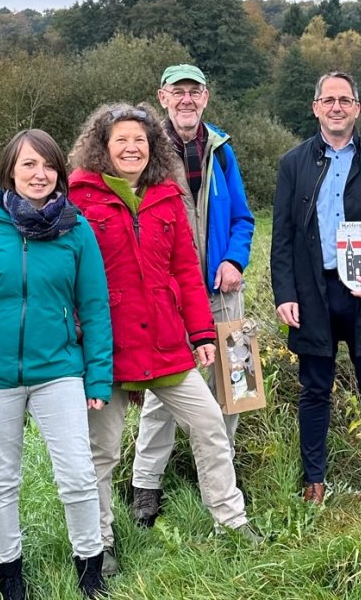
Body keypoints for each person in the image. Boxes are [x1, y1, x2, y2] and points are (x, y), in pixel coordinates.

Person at [68, 102, 258, 570]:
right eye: (121, 140)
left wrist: (200, 334)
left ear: (152, 148)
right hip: (106, 348)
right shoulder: (77, 199)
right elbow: (65, 276)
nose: (131, 148)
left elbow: (187, 273)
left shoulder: (167, 197)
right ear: (102, 147)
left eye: (140, 141)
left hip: (167, 342)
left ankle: (230, 520)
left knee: (210, 424)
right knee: (102, 451)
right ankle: (100, 541)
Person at [0, 129, 112, 598]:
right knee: (1, 476)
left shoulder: (77, 229)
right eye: (29, 164)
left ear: (60, 174)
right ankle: (8, 573)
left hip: (58, 370)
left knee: (76, 472)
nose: (40, 173)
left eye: (48, 165)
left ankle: (90, 565)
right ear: (10, 169)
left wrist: (98, 374)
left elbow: (94, 307)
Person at [270, 71, 361, 504]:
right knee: (314, 389)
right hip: (314, 292)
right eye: (328, 99)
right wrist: (285, 293)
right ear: (315, 107)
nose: (336, 107)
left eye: (345, 100)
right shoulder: (294, 163)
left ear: (356, 108)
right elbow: (283, 236)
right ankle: (314, 481)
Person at [130, 64, 256, 531]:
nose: (186, 99)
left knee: (238, 386)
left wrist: (233, 261)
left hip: (223, 292)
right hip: (167, 296)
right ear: (162, 97)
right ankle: (146, 487)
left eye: (194, 91)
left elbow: (243, 218)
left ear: (205, 97)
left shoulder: (221, 150)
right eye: (177, 91)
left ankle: (222, 482)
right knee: (166, 392)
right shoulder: (143, 150)